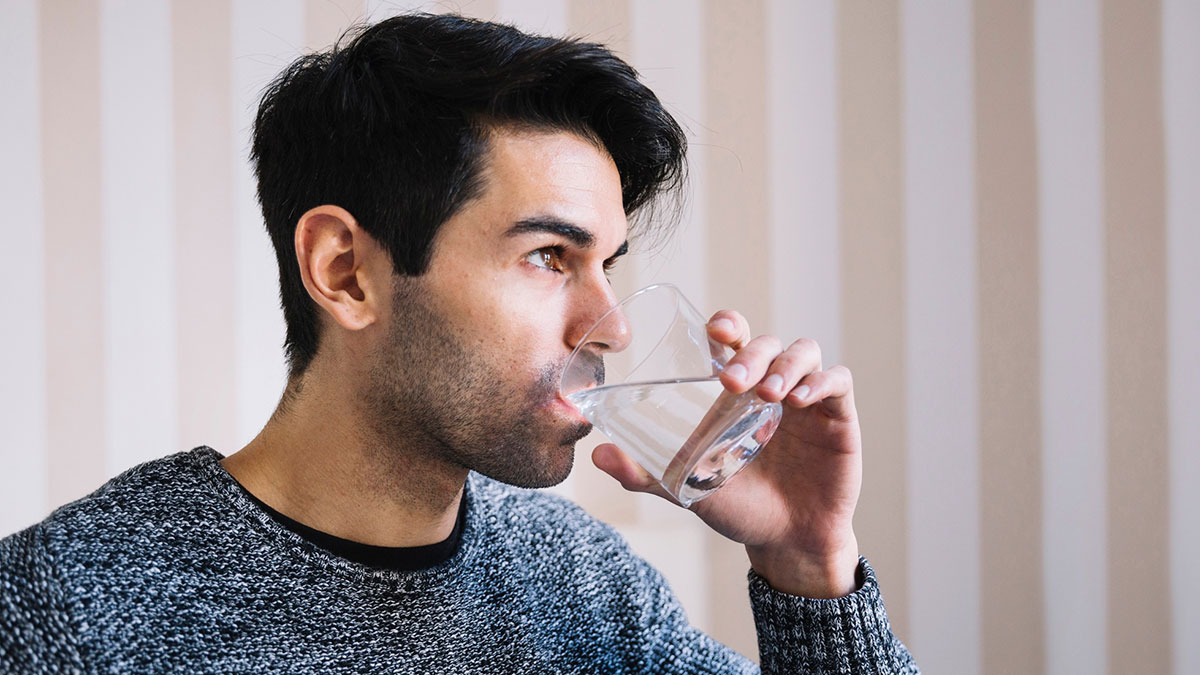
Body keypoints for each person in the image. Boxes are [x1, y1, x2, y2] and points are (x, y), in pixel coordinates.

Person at [0, 13, 918, 674]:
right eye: (549, 256)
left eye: (607, 264)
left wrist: (808, 569)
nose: (614, 325)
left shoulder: (585, 588)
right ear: (345, 271)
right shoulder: (65, 610)